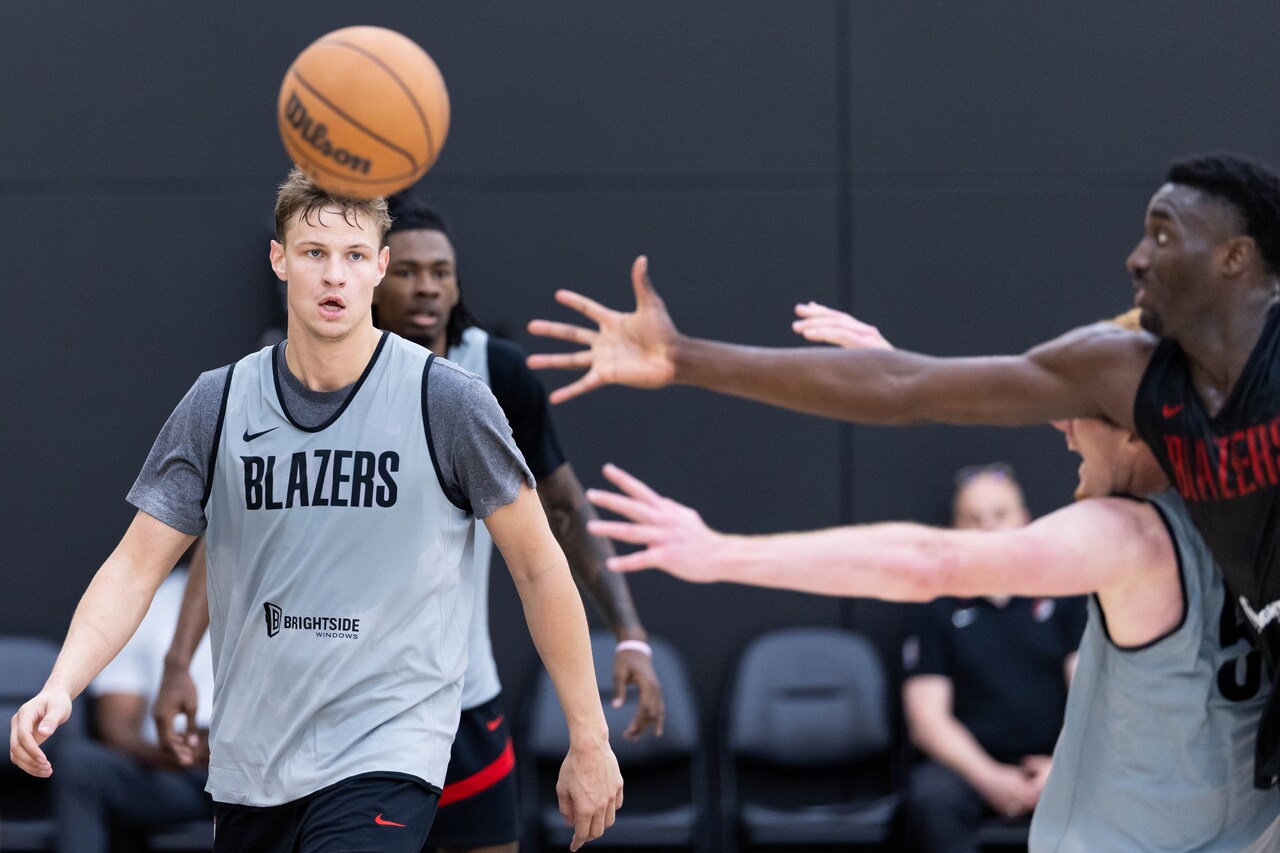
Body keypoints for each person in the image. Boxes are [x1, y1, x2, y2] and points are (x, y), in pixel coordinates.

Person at [527, 152, 1280, 785]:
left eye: (1160, 234)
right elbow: (907, 388)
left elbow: (930, 552)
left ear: (1234, 256)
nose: (1135, 256)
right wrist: (687, 358)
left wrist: (722, 552)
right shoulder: (1127, 373)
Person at [9, 168, 623, 853]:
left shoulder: (446, 401)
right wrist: (63, 683)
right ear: (280, 259)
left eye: (355, 256)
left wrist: (589, 735)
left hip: (385, 748)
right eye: (314, 253)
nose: (335, 275)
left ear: (379, 267)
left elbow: (539, 565)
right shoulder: (219, 403)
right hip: (254, 762)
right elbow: (134, 565)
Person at [154, 194, 663, 853]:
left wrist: (629, 634)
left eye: (442, 272)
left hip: (459, 694)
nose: (427, 286)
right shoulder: (289, 377)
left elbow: (561, 517)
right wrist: (178, 659)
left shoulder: (488, 377)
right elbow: (235, 537)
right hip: (325, 708)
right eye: (410, 272)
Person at [579, 402, 1279, 848]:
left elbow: (927, 558)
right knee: (935, 798)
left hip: (1148, 816)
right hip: (1215, 815)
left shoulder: (1126, 538)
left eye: (1081, 409)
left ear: (1134, 424)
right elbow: (932, 688)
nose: (1062, 428)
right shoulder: (1239, 519)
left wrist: (724, 553)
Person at [901, 466, 1084, 853]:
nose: (988, 528)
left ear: (1025, 520)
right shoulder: (935, 605)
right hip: (968, 769)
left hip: (1057, 761)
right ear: (955, 530)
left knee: (1109, 787)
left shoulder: (1066, 592)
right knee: (930, 798)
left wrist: (1063, 770)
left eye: (1000, 515)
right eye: (973, 519)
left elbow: (1091, 697)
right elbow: (927, 720)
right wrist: (992, 779)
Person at [51, 554, 215, 853]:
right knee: (78, 761)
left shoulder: (286, 601)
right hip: (176, 778)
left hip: (265, 775)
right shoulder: (153, 603)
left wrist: (228, 745)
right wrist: (168, 750)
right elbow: (117, 725)